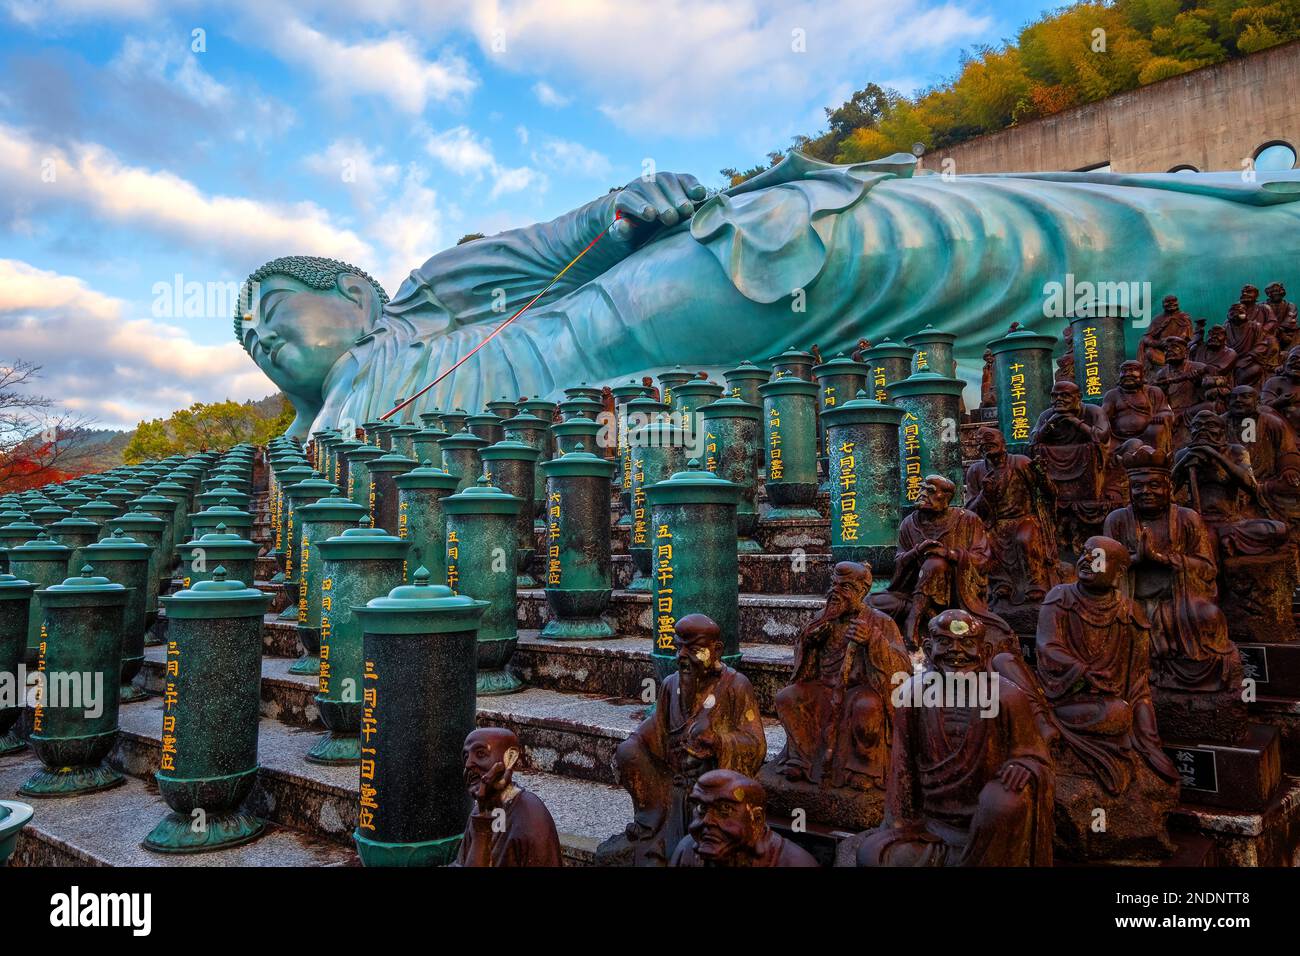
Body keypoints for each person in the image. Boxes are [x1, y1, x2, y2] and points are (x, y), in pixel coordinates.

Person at [231, 155, 1300, 439]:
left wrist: (624, 212)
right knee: (938, 322)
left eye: (274, 309)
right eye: (247, 339)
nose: (260, 335)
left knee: (884, 244)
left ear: (357, 296)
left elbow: (571, 241)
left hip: (640, 313)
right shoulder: (319, 432)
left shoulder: (422, 301)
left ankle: (1249, 227)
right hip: (641, 398)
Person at [856, 610, 1054, 867]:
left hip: (987, 831)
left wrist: (1026, 765)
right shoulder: (913, 695)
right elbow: (901, 769)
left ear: (985, 651)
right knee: (871, 854)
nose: (956, 651)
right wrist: (897, 827)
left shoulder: (1007, 696)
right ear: (928, 648)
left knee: (1005, 801)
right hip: (932, 831)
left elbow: (1036, 757)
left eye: (967, 643)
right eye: (945, 642)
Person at [612, 614, 765, 866]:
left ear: (715, 650)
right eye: (678, 647)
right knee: (628, 751)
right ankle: (652, 825)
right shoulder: (671, 685)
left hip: (708, 789)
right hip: (673, 783)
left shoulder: (735, 686)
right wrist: (633, 745)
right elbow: (656, 729)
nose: (682, 655)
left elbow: (755, 744)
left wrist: (718, 742)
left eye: (693, 649)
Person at [772, 561, 910, 791]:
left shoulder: (880, 621)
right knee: (787, 698)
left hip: (858, 690)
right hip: (823, 687)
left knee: (868, 708)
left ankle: (860, 768)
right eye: (833, 585)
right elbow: (804, 667)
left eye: (844, 586)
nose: (835, 592)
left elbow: (902, 669)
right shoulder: (822, 617)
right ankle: (802, 760)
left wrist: (873, 642)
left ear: (861, 591)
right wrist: (809, 643)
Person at [453, 727, 562, 867]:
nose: (468, 765)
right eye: (466, 757)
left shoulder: (530, 814)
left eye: (480, 754)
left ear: (509, 758)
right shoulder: (479, 810)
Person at [669, 770, 819, 867]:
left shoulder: (794, 862)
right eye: (702, 808)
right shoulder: (687, 851)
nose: (707, 821)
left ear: (757, 820)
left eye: (725, 810)